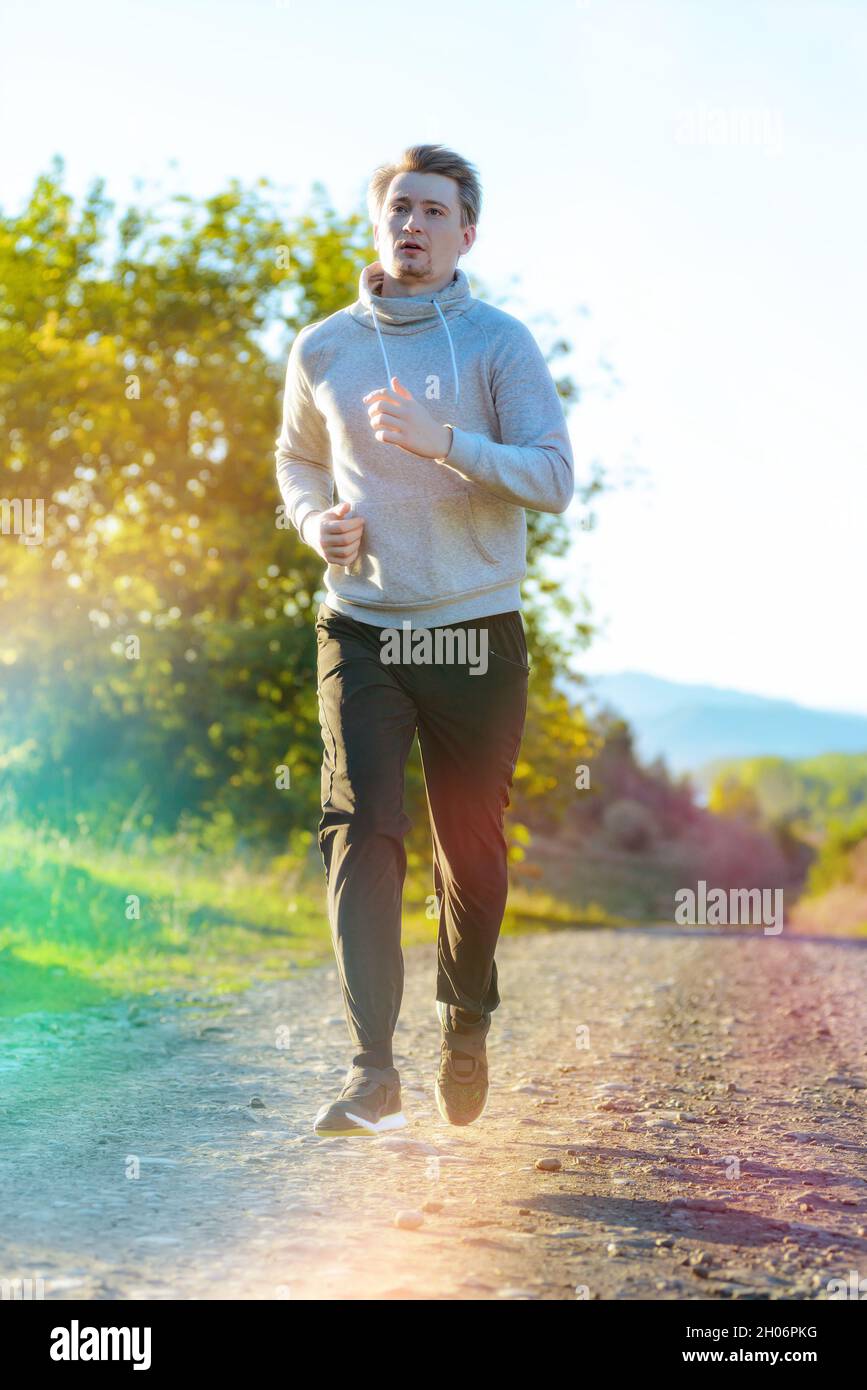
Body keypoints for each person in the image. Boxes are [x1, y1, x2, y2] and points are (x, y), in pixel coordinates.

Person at [275, 144, 574, 1136]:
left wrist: (443, 442)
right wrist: (314, 522)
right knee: (360, 831)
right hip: (360, 625)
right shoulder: (322, 347)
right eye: (398, 207)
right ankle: (373, 1070)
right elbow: (297, 460)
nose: (413, 223)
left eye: (433, 211)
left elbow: (553, 477)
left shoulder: (498, 344)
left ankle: (467, 1016)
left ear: (466, 234)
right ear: (377, 223)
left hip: (475, 628)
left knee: (470, 845)